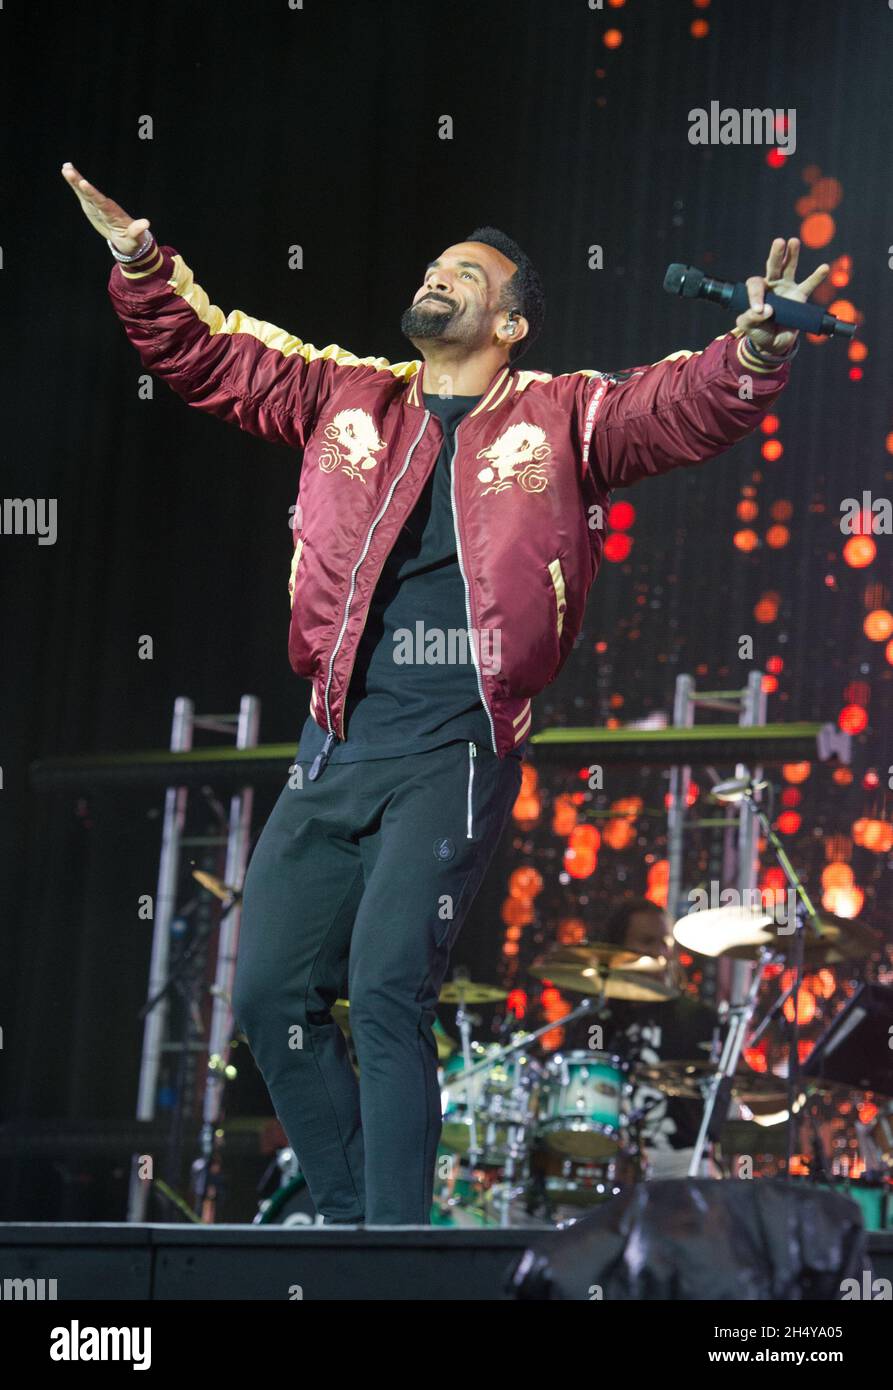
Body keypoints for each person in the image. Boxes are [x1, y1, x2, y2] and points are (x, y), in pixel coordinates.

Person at [62, 161, 828, 1224]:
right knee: (270, 996)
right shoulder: (346, 394)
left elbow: (679, 405)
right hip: (333, 744)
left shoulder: (564, 418)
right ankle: (349, 1233)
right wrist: (142, 264)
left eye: (463, 273)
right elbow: (213, 355)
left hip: (453, 749)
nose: (437, 275)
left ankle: (392, 1256)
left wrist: (752, 348)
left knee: (382, 990)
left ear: (508, 323)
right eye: (433, 265)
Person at [590, 897, 720, 1180]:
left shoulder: (700, 1019)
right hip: (601, 1163)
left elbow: (746, 1089)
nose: (661, 954)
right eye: (647, 942)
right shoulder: (596, 1022)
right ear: (616, 948)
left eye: (666, 944)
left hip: (683, 1169)